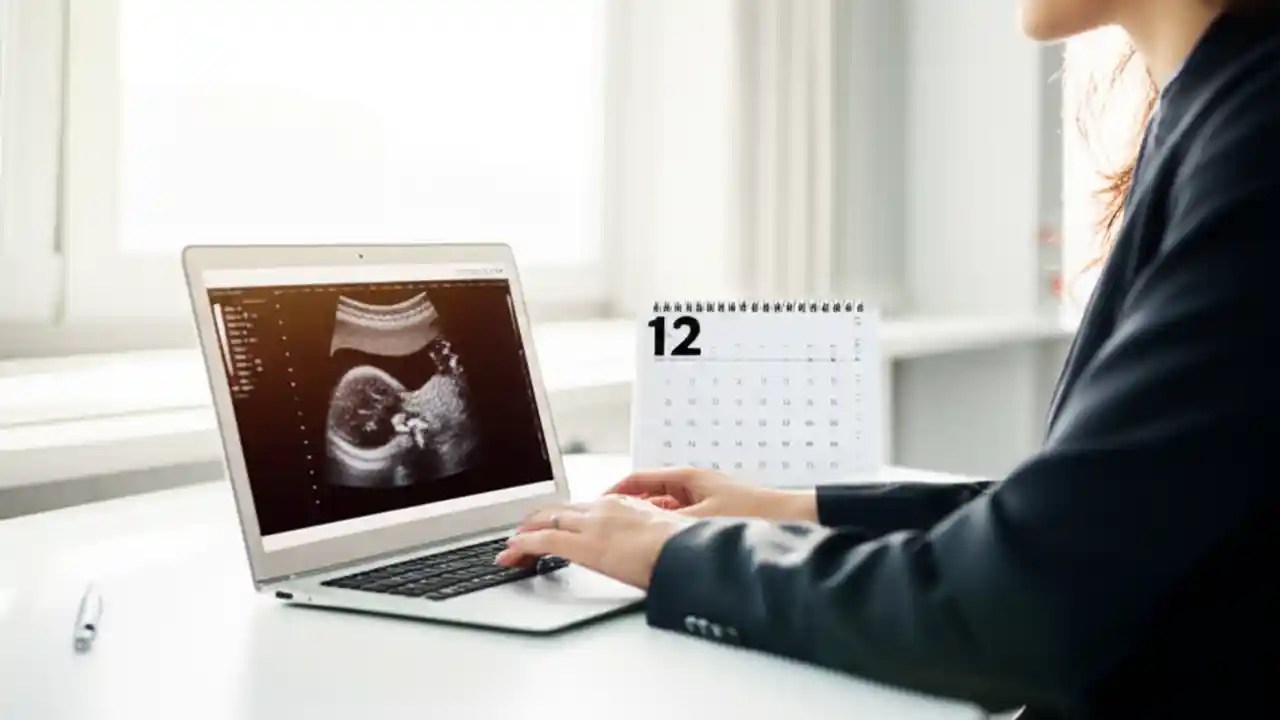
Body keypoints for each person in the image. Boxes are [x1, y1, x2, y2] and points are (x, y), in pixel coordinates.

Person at [495, 1, 1280, 717]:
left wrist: (678, 556)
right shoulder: (1218, 102)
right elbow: (1108, 517)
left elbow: (1021, 606)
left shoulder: (1257, 131)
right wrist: (787, 509)